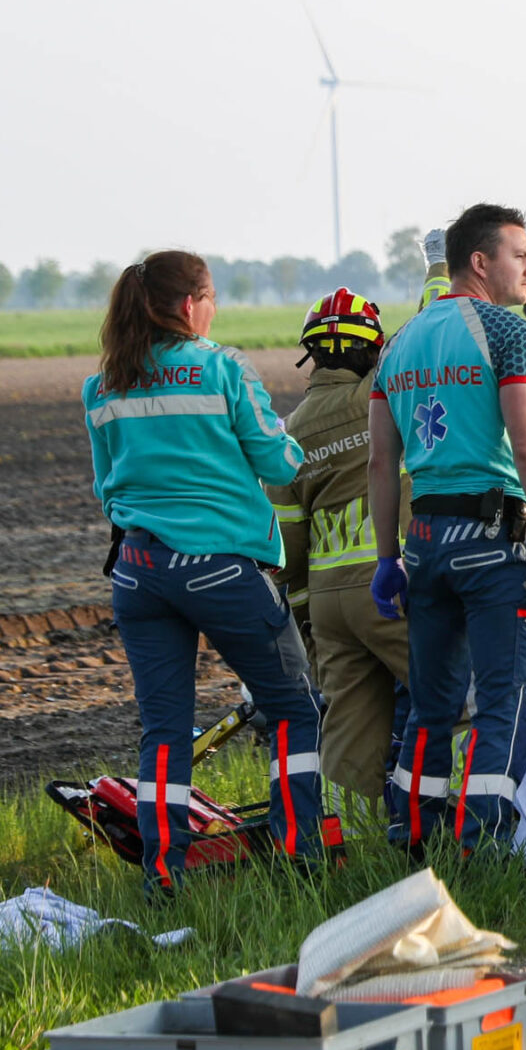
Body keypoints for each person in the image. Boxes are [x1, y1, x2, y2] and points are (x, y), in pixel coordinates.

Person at [82, 250, 324, 896]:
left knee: (164, 730)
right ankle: (300, 855)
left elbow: (108, 491)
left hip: (136, 569)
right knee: (294, 707)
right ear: (192, 306)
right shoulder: (222, 368)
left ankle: (164, 874)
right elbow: (279, 463)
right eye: (211, 297)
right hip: (219, 567)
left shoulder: (103, 385)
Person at [367, 203, 526, 857]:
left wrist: (389, 558)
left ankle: (411, 836)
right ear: (479, 261)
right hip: (503, 541)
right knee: (508, 696)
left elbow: (381, 461)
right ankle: (481, 848)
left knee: (431, 707)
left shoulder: (399, 343)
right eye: (520, 254)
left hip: (427, 543)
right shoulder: (511, 332)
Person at [266, 289, 408, 819]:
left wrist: (305, 619)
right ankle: (466, 829)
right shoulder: (382, 394)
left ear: (313, 355)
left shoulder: (292, 430)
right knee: (455, 702)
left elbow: (288, 544)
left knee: (349, 734)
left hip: (328, 604)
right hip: (388, 586)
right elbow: (435, 325)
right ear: (372, 349)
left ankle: (351, 849)